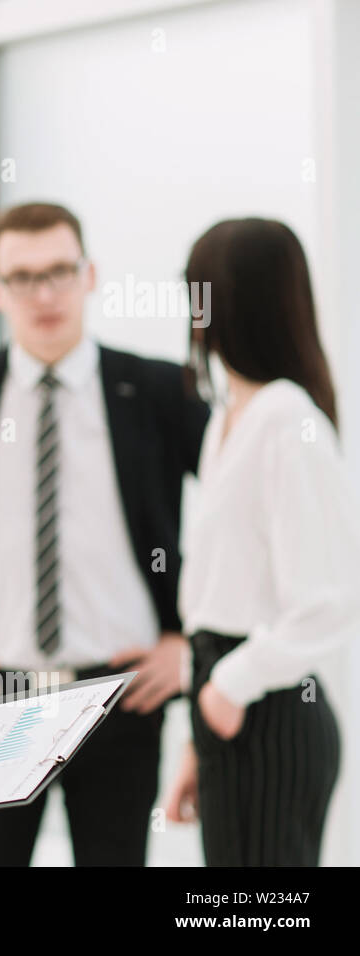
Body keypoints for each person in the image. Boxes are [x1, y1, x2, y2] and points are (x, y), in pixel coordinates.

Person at [0, 202, 211, 865]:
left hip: (120, 695)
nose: (42, 294)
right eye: (21, 277)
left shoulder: (160, 390)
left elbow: (240, 518)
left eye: (58, 272)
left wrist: (192, 643)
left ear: (89, 274)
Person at [162, 218, 359, 865]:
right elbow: (218, 593)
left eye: (199, 292)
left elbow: (327, 602)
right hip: (228, 706)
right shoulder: (229, 416)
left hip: (267, 712)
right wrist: (199, 735)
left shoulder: (285, 418)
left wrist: (229, 688)